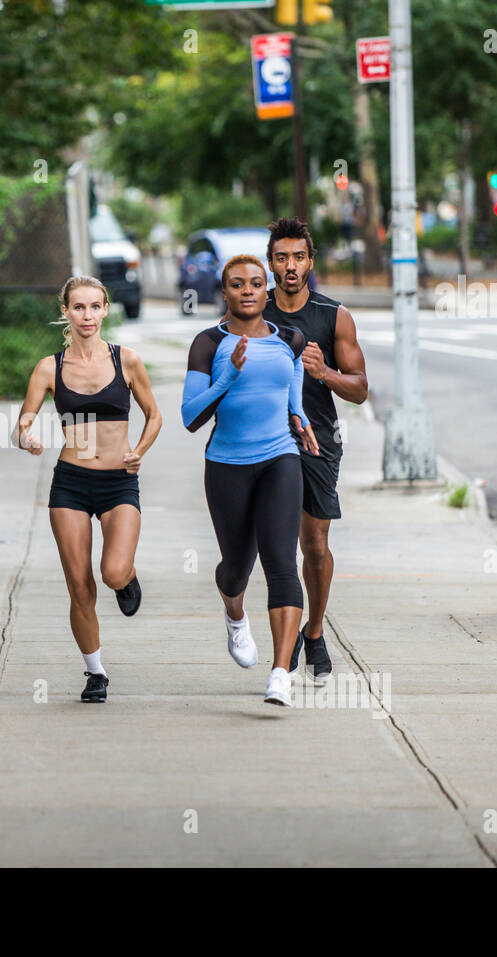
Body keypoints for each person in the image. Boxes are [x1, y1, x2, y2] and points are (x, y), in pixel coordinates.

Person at [15, 276, 162, 703]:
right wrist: (27, 437)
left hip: (119, 480)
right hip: (72, 483)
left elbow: (154, 416)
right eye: (78, 307)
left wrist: (139, 450)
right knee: (80, 586)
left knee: (112, 571)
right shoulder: (50, 367)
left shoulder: (126, 360)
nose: (87, 316)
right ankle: (95, 671)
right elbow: (22, 423)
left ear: (105, 309)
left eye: (95, 307)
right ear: (65, 311)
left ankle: (127, 579)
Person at [181, 254, 319, 708]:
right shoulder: (207, 343)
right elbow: (190, 417)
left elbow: (293, 372)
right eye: (237, 284)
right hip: (226, 465)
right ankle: (234, 614)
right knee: (236, 567)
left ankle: (281, 672)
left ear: (267, 290)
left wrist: (297, 415)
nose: (247, 290)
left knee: (281, 562)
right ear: (224, 292)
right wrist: (230, 375)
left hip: (280, 457)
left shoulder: (289, 338)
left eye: (256, 283)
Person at [263, 217, 369, 686]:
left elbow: (362, 389)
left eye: (298, 257)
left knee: (315, 545)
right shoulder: (252, 312)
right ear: (271, 263)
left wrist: (324, 373)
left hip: (318, 440)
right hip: (265, 439)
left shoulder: (333, 316)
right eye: (281, 257)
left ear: (310, 261)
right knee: (275, 549)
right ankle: (280, 655)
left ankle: (315, 629)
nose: (290, 265)